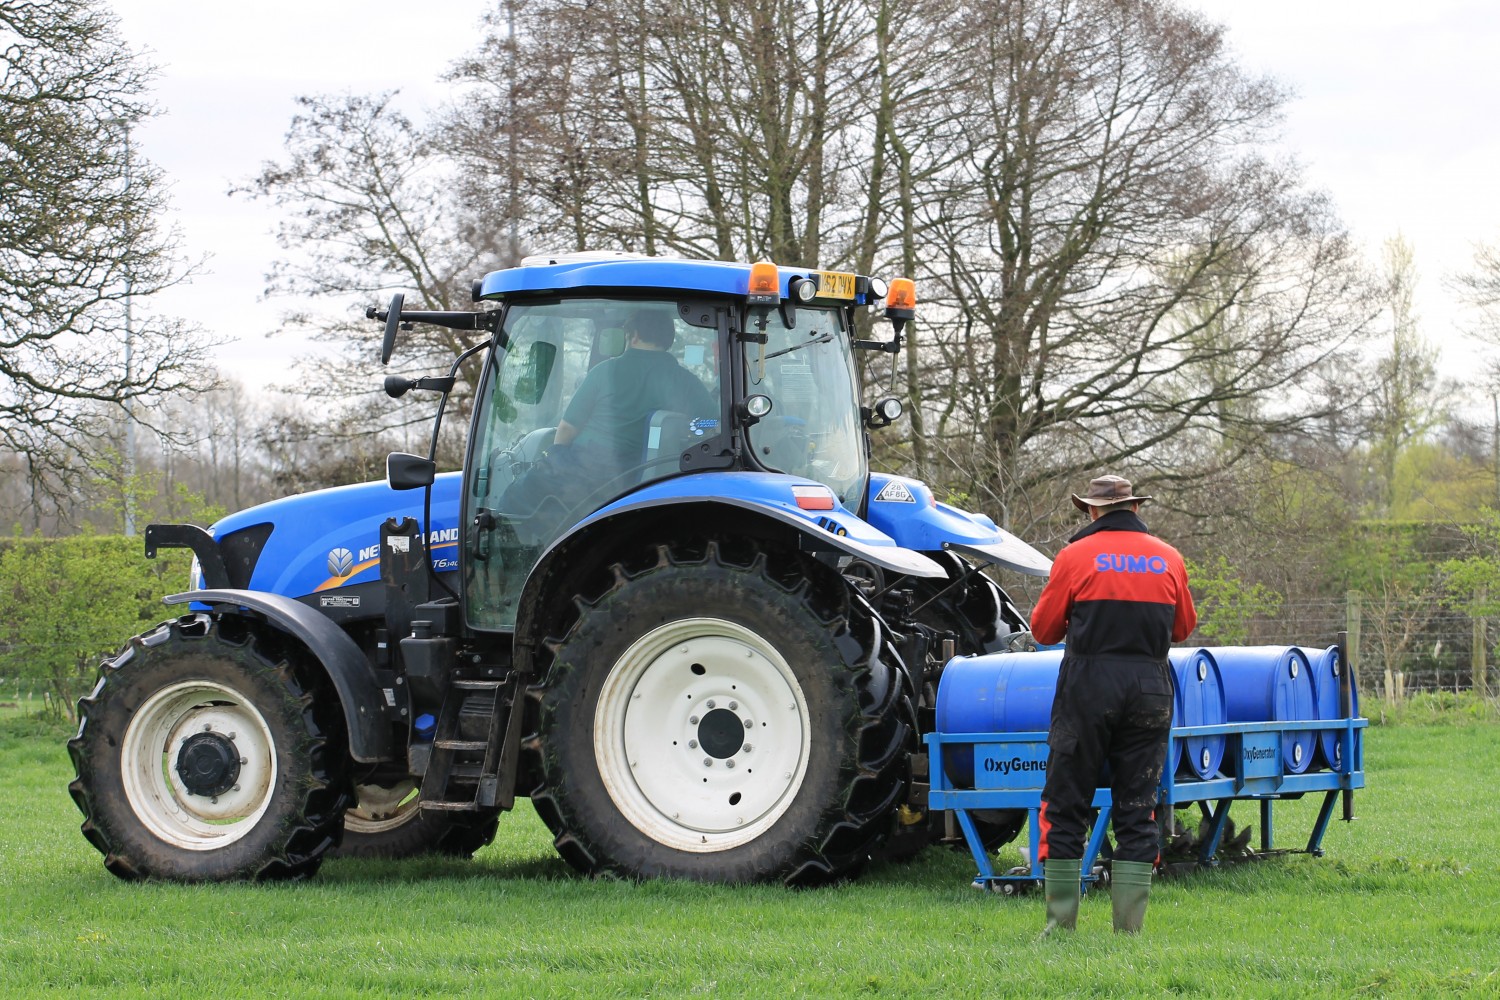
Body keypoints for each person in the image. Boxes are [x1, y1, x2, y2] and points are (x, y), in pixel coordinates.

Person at [1028, 474, 1196, 935]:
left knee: (1066, 804)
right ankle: (1129, 930)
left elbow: (1043, 631)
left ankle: (1060, 925)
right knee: (1137, 805)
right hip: (1150, 687)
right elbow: (1182, 630)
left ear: (1091, 511)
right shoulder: (1169, 558)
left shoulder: (1075, 556)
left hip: (1088, 686)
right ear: (1136, 509)